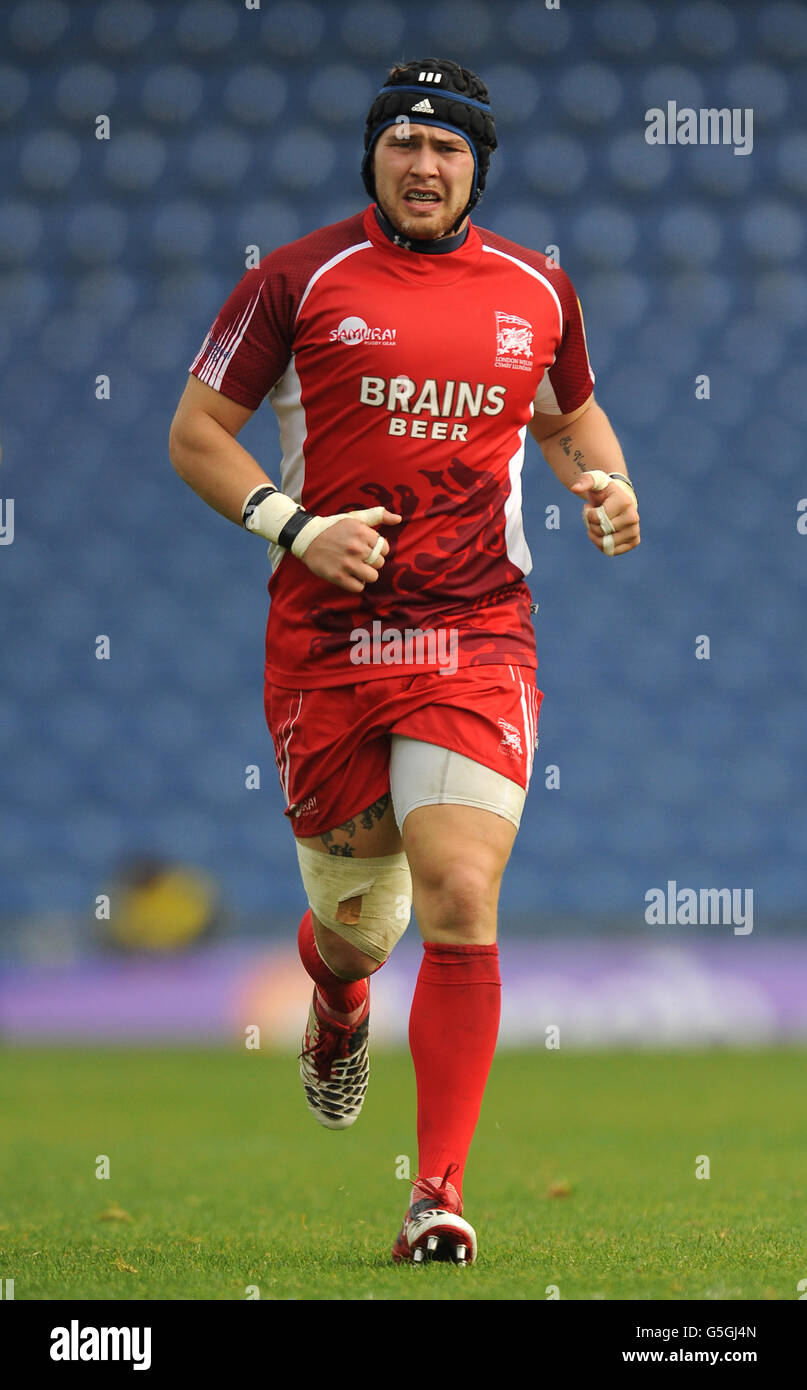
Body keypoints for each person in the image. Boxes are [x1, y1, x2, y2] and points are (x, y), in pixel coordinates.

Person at [168, 56, 640, 1267]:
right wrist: (298, 527)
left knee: (463, 897)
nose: (423, 164)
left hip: (476, 629)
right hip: (329, 642)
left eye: (447, 146)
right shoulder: (294, 278)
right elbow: (195, 435)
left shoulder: (538, 287)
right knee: (360, 928)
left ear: (479, 165)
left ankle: (436, 1191)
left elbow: (567, 410)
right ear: (374, 155)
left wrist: (607, 479)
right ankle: (336, 1001)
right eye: (403, 142)